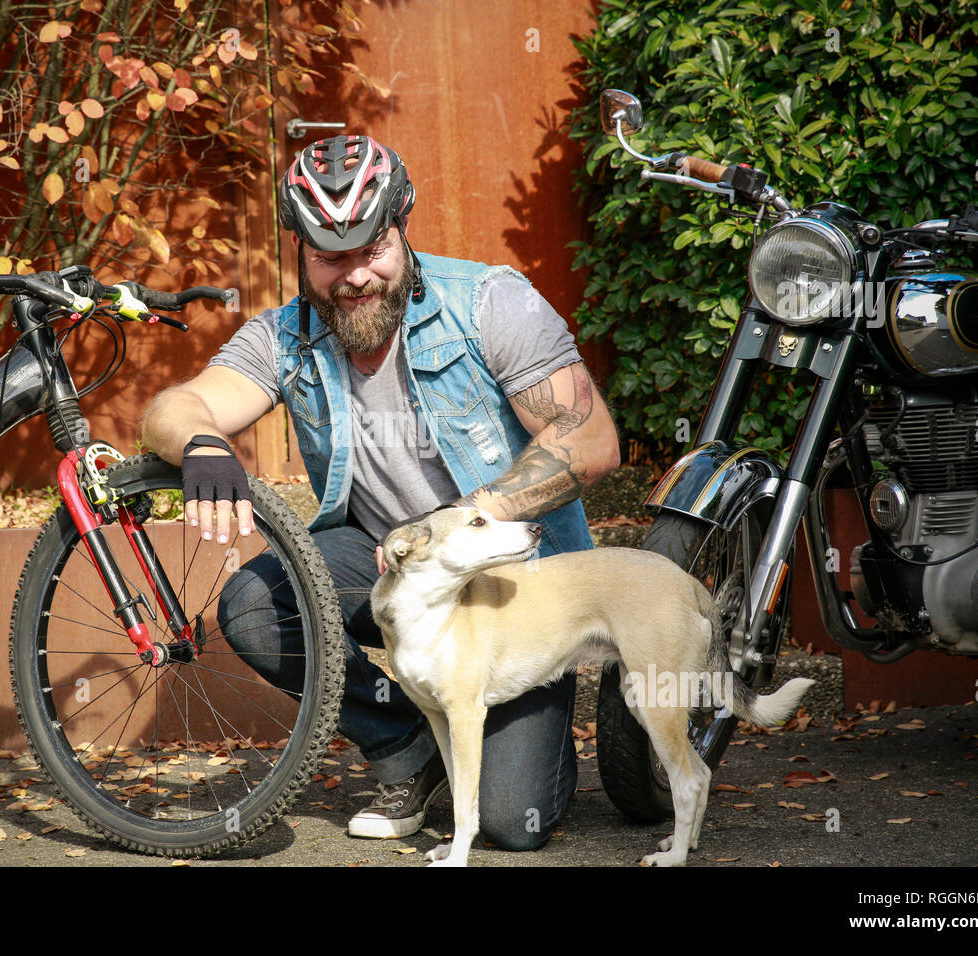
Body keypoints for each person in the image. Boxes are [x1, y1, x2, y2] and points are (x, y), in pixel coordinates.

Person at [141, 134, 620, 851]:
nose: (357, 275)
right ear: (299, 253)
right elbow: (170, 408)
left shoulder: (491, 303)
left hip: (510, 582)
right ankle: (410, 750)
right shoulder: (284, 338)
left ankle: (517, 732)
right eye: (332, 256)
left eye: (374, 249)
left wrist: (465, 523)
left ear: (403, 229)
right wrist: (203, 444)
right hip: (384, 564)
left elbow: (591, 441)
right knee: (254, 604)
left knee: (510, 822)